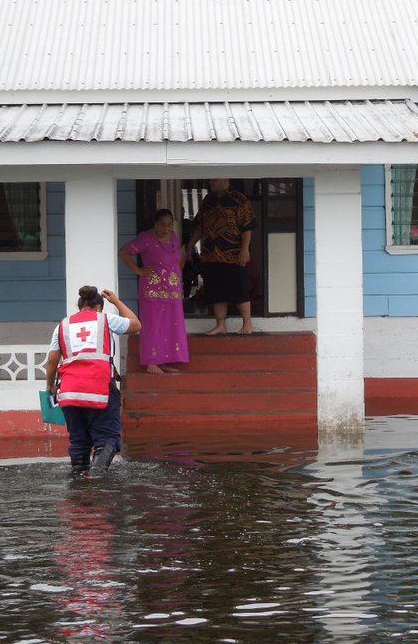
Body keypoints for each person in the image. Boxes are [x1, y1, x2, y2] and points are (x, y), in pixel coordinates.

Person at [45, 285, 141, 478]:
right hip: (99, 388)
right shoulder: (105, 319)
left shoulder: (62, 325)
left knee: (79, 441)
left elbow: (52, 361)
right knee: (107, 440)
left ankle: (78, 481)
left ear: (80, 305)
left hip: (69, 391)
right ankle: (95, 476)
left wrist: (50, 386)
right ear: (99, 307)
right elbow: (135, 324)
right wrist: (116, 301)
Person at [118, 208, 190, 374]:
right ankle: (152, 363)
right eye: (162, 225)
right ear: (155, 223)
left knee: (170, 325)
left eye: (169, 225)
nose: (166, 229)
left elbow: (178, 258)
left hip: (172, 291)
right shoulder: (146, 239)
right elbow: (123, 252)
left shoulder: (173, 237)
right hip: (153, 291)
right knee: (154, 325)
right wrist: (139, 270)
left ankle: (164, 361)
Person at [188, 178, 258, 335]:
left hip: (233, 253)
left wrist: (245, 249)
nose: (211, 182)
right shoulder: (208, 200)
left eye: (215, 179)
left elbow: (247, 226)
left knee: (239, 287)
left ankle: (247, 324)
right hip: (211, 254)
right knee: (216, 289)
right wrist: (191, 245)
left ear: (225, 181)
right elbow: (200, 226)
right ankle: (221, 325)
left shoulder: (239, 199)